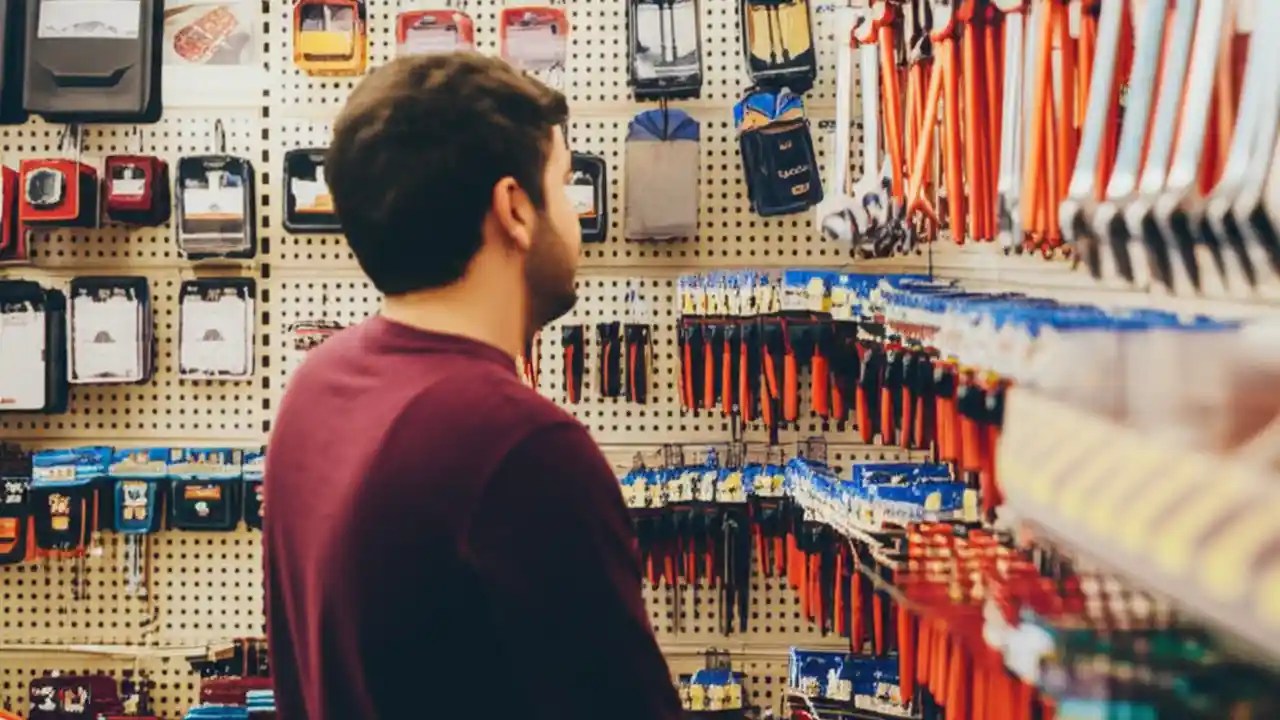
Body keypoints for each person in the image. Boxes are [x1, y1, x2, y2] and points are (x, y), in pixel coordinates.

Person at [263, 53, 681, 720]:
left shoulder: (317, 384)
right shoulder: (519, 446)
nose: (574, 220)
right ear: (515, 208)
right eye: (565, 184)